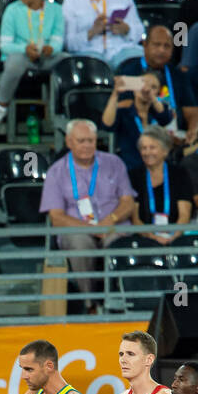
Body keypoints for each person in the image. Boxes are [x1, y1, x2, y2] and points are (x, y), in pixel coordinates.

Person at [40, 119, 135, 312]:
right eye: (81, 141)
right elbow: (56, 217)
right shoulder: (56, 172)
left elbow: (128, 201)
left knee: (118, 242)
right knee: (80, 244)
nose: (86, 145)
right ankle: (90, 304)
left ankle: (123, 303)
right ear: (69, 142)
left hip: (112, 225)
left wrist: (110, 221)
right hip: (78, 230)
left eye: (90, 141)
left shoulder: (114, 163)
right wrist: (90, 228)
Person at [0, 0, 65, 135]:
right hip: (21, 56)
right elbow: (5, 45)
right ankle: (0, 108)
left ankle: (64, 113)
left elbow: (58, 39)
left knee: (68, 60)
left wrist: (51, 49)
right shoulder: (12, 10)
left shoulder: (56, 10)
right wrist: (24, 49)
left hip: (46, 57)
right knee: (14, 62)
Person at [115, 25, 191, 141]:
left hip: (175, 136)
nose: (162, 50)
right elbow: (124, 109)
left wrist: (193, 131)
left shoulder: (177, 75)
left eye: (167, 46)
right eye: (157, 44)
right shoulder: (129, 71)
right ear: (145, 45)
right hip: (138, 135)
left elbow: (191, 109)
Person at [63, 0, 144, 68]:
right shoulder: (71, 2)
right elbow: (69, 43)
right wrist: (91, 32)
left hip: (122, 50)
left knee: (141, 60)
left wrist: (127, 29)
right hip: (91, 53)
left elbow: (140, 30)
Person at [127, 125, 193, 239]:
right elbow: (135, 219)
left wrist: (172, 237)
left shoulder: (180, 174)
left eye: (152, 147)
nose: (147, 152)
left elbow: (184, 215)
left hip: (175, 237)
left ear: (165, 150)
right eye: (143, 148)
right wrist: (153, 238)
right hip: (144, 238)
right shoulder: (134, 176)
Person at [101, 72, 175, 172]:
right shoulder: (124, 112)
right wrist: (115, 94)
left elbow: (166, 118)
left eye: (153, 87)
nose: (146, 89)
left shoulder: (159, 111)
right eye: (142, 84)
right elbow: (107, 125)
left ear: (158, 92)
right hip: (131, 169)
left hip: (158, 169)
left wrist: (152, 97)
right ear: (134, 89)